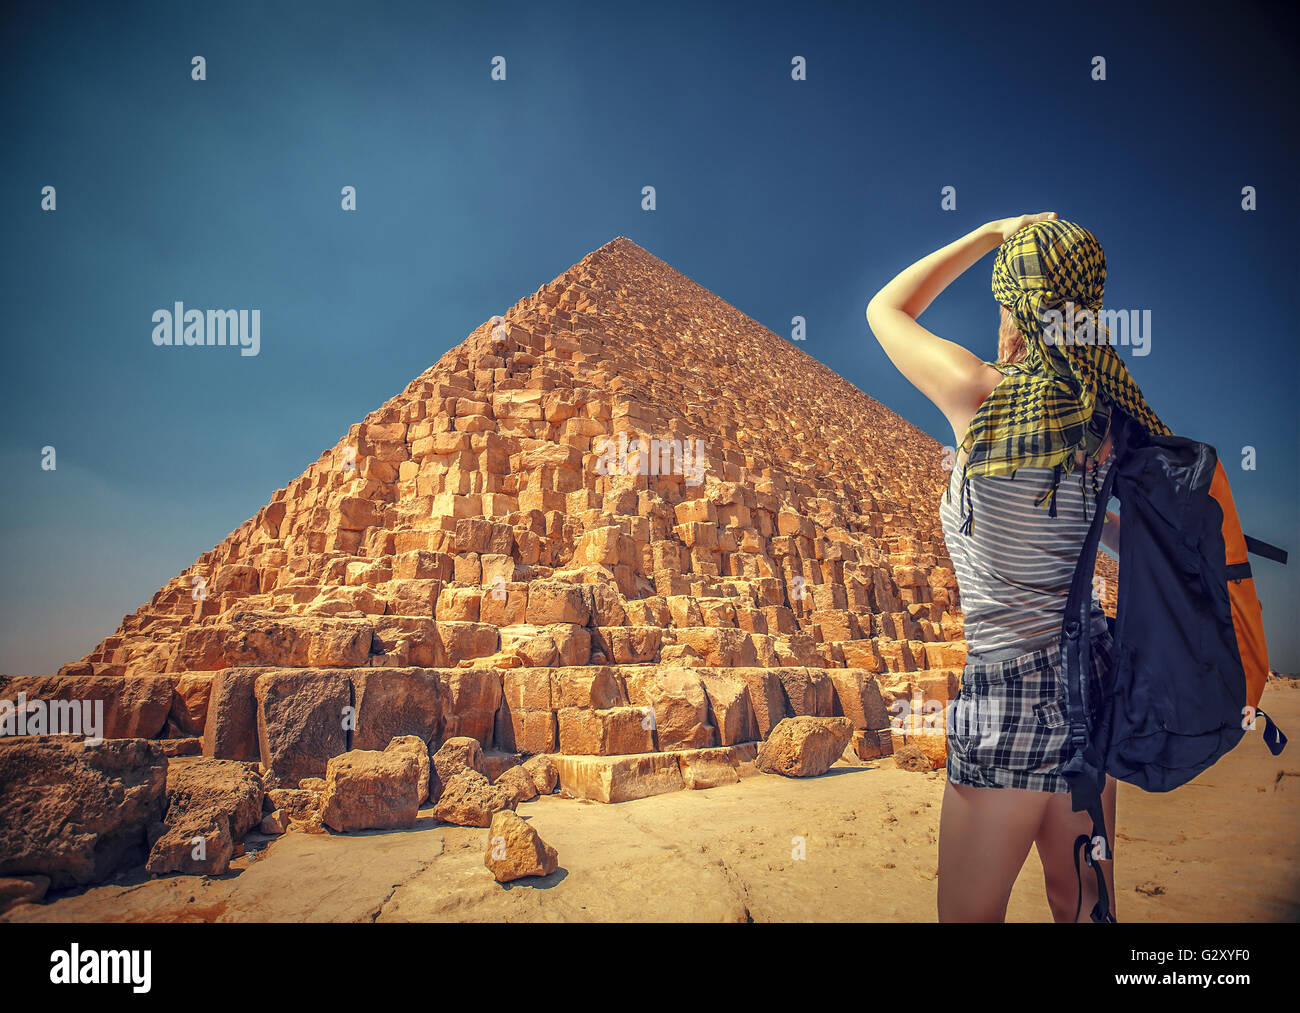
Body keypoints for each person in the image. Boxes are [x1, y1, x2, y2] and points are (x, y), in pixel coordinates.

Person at [865, 214, 1172, 922]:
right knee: (1086, 906)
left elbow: (886, 307)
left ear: (1015, 302)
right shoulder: (1109, 422)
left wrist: (986, 233)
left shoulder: (977, 392)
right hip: (1089, 688)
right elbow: (1122, 533)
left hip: (1004, 698)